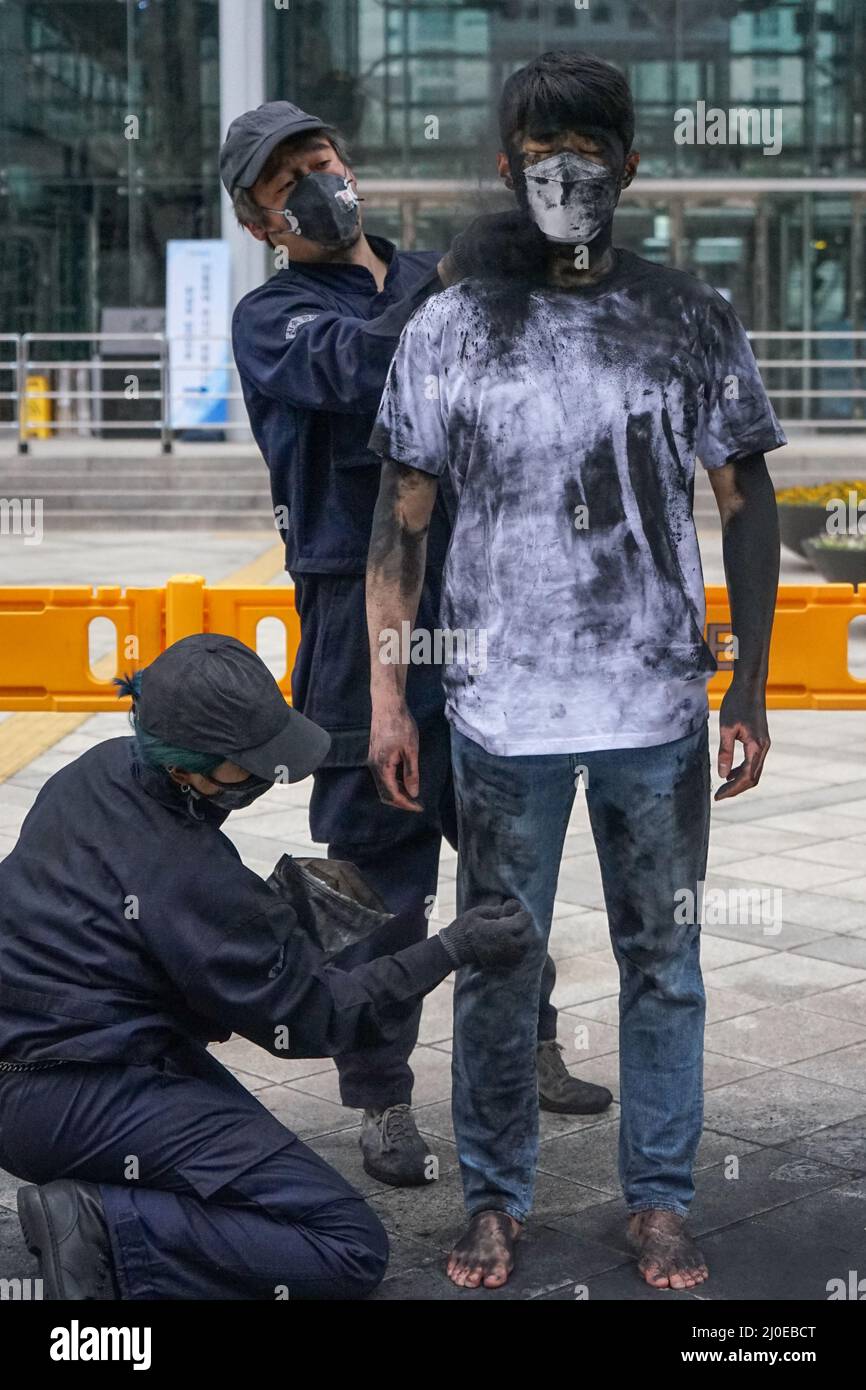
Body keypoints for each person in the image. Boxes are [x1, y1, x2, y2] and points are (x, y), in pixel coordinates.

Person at [365, 49, 784, 1291]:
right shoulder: (450, 323)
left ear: (629, 164)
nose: (563, 168)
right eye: (539, 146)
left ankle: (658, 1199)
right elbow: (404, 510)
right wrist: (391, 692)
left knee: (666, 960)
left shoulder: (689, 315)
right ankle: (494, 1200)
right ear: (505, 165)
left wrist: (749, 685)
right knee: (496, 965)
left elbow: (745, 496)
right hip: (499, 715)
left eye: (586, 144)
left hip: (656, 708)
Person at [222, 100, 612, 1186]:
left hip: (480, 594)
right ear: (262, 222)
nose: (315, 182)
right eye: (284, 181)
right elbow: (358, 372)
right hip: (354, 612)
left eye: (321, 159)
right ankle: (379, 1096)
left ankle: (526, 1045)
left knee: (506, 839)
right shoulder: (276, 318)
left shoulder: (430, 272)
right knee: (374, 865)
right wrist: (455, 289)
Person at [0, 634, 532, 1300]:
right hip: (78, 1091)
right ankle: (103, 1226)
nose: (264, 777)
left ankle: (101, 1199)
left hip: (47, 1069)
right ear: (185, 770)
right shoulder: (188, 869)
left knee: (252, 1179)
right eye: (245, 767)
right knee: (346, 1246)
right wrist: (450, 948)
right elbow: (316, 1017)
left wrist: (276, 919)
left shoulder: (99, 770)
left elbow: (148, 934)